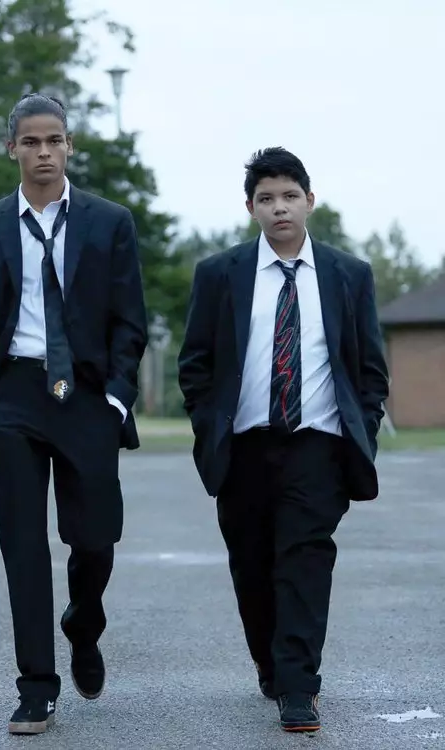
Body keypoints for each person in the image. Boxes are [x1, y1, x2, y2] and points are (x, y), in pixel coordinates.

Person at [0, 93, 149, 735]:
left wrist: (116, 395)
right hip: (13, 395)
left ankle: (83, 623)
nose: (43, 152)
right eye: (30, 142)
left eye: (54, 140)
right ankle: (36, 685)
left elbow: (129, 320)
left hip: (87, 396)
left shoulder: (109, 221)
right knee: (23, 547)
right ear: (12, 148)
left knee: (95, 537)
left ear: (69, 146)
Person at [177, 147, 390, 733]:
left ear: (310, 201)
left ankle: (300, 685)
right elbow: (195, 363)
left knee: (304, 560)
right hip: (244, 446)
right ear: (250, 208)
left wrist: (361, 429)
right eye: (266, 199)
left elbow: (370, 368)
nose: (279, 209)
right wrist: (206, 425)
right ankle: (270, 664)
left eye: (289, 196)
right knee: (252, 565)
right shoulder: (220, 274)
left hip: (316, 445)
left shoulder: (349, 275)